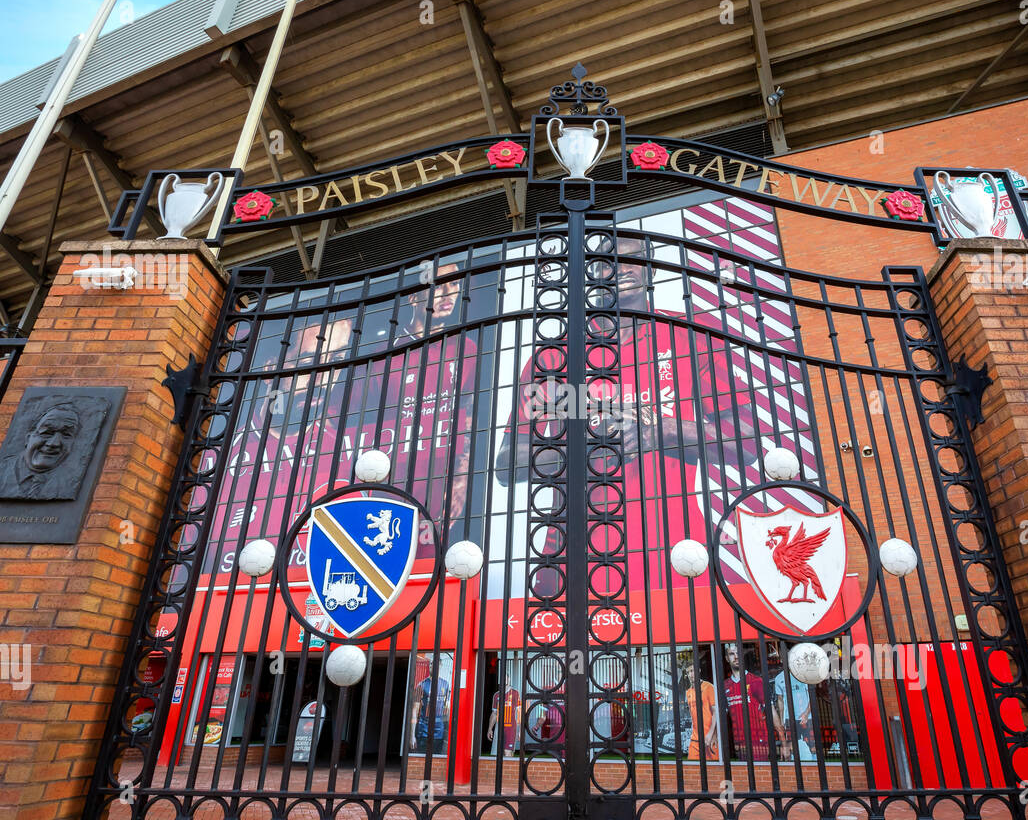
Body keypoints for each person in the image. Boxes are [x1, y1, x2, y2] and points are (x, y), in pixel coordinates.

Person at [493, 234, 756, 593]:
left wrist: (663, 431)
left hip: (676, 547)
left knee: (690, 640)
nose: (621, 269)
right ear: (593, 274)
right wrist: (581, 447)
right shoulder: (555, 356)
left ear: (650, 269)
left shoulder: (690, 335)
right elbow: (507, 462)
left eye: (633, 259)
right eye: (607, 262)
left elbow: (746, 441)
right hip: (572, 554)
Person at [206, 262, 476, 574]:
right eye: (310, 362)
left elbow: (464, 422)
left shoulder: (467, 348)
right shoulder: (220, 458)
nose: (323, 377)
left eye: (335, 360)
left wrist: (457, 479)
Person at [723, 642, 770, 761]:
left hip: (759, 742)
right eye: (732, 654)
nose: (736, 656)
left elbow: (771, 711)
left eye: (738, 653)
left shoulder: (755, 681)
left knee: (760, 776)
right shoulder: (725, 686)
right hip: (739, 743)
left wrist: (783, 740)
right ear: (727, 658)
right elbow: (721, 715)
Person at [771, 643, 814, 761]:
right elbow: (780, 701)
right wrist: (782, 719)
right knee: (792, 748)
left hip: (805, 718)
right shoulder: (779, 679)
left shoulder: (803, 674)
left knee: (812, 748)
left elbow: (811, 696)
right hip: (789, 719)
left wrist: (806, 713)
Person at [409, 652, 453, 754]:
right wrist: (412, 735)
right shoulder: (421, 685)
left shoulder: (445, 685)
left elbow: (447, 708)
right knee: (423, 757)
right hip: (423, 728)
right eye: (432, 663)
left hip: (439, 729)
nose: (434, 666)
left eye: (437, 664)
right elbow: (414, 711)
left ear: (440, 666)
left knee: (436, 758)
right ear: (430, 666)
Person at [682, 656, 719, 762]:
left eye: (693, 671)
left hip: (710, 738)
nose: (691, 674)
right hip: (695, 740)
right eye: (688, 672)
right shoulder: (688, 692)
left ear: (698, 670)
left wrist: (712, 734)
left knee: (714, 770)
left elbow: (716, 712)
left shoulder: (709, 687)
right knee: (692, 768)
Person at [488, 668, 521, 756]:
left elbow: (519, 713)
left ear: (509, 679)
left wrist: (519, 730)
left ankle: (509, 770)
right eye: (502, 678)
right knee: (499, 753)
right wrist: (490, 729)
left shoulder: (515, 693)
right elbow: (494, 713)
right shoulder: (496, 695)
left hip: (511, 727)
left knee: (508, 752)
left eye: (506, 677)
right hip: (499, 727)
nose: (504, 679)